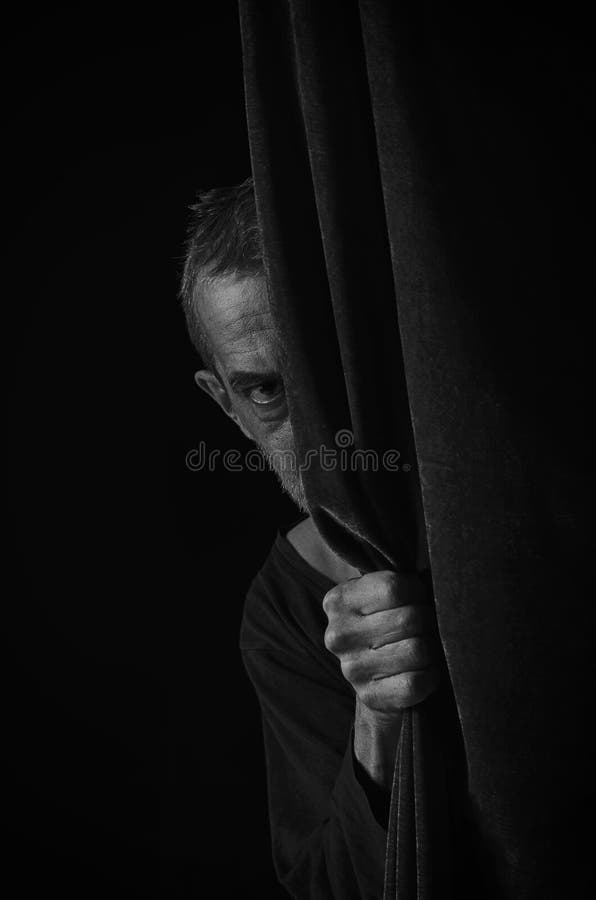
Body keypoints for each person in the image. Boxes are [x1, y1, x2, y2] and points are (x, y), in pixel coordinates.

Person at [180, 178, 441, 899]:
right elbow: (331, 888)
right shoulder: (281, 613)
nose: (321, 437)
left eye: (330, 370)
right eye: (267, 391)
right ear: (225, 404)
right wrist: (378, 717)